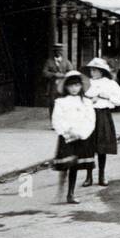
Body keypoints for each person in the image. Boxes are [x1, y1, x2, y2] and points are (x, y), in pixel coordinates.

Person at [51, 69, 96, 204]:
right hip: (67, 137)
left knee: (75, 166)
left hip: (81, 137)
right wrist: (66, 131)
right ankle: (61, 190)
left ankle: (70, 194)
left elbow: (90, 120)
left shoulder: (87, 102)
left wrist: (82, 133)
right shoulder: (61, 102)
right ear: (66, 87)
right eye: (71, 86)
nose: (74, 88)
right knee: (65, 164)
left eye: (77, 85)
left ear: (81, 86)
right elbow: (57, 120)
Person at [82, 58, 120, 187]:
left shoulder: (109, 84)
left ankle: (102, 175)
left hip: (103, 115)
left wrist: (105, 97)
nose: (92, 72)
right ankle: (88, 177)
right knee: (88, 147)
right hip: (89, 115)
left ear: (101, 72)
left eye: (95, 70)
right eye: (91, 70)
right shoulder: (87, 83)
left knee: (102, 147)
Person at [41, 43, 74, 108]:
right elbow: (44, 72)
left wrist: (64, 75)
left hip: (63, 85)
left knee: (63, 102)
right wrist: (54, 74)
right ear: (54, 52)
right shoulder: (49, 61)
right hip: (52, 86)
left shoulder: (66, 62)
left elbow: (71, 72)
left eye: (60, 50)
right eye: (56, 51)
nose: (58, 52)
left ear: (62, 52)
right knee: (52, 103)